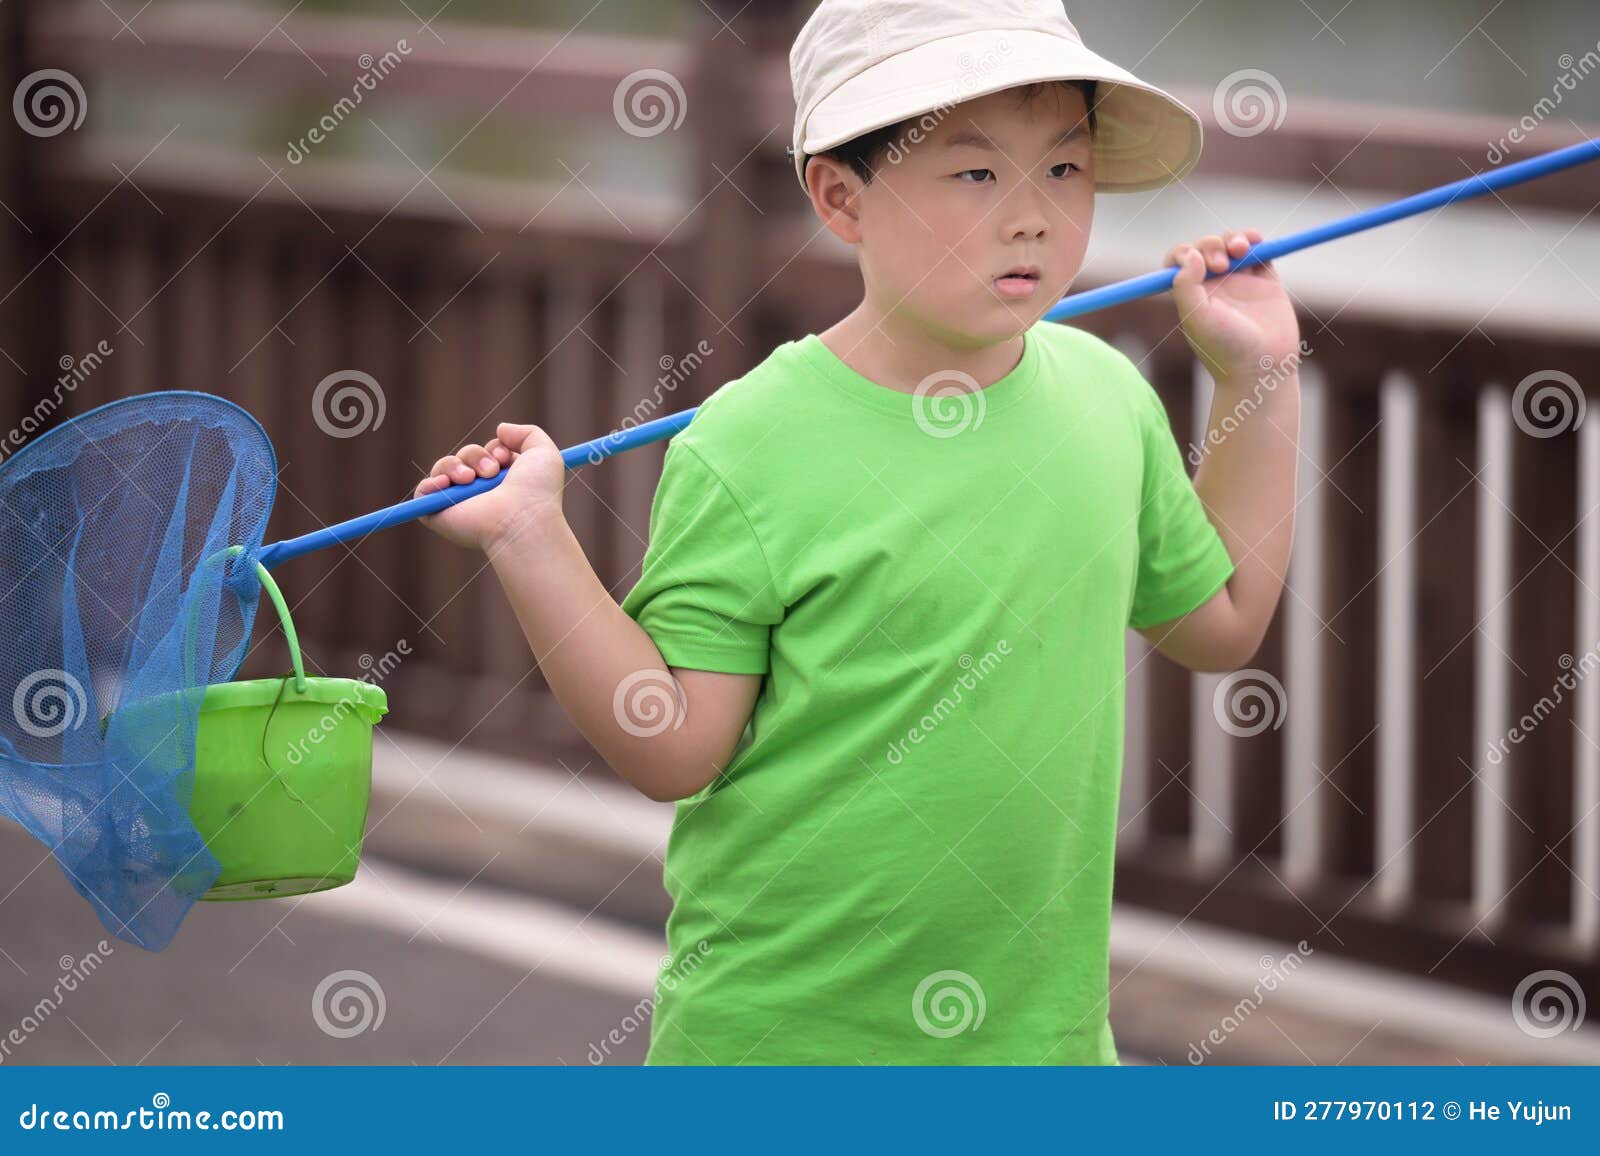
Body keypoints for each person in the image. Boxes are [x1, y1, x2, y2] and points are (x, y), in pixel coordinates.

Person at [415, 0, 1301, 1064]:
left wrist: (1260, 376)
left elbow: (1223, 622)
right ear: (842, 196)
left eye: (1063, 171)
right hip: (780, 1053)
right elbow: (674, 747)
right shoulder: (752, 441)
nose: (1030, 215)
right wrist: (532, 539)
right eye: (975, 174)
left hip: (1044, 1051)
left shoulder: (1109, 399)